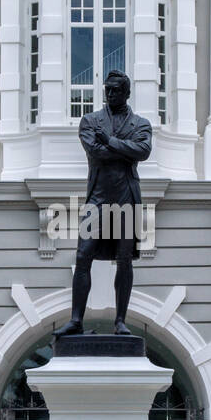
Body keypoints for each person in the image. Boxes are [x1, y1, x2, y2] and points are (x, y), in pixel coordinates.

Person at [55, 69, 152, 337]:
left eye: (116, 90)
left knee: (124, 260)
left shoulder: (141, 124)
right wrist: (123, 150)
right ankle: (76, 319)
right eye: (107, 89)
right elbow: (95, 152)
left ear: (127, 93)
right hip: (98, 197)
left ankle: (120, 320)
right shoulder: (90, 120)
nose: (110, 94)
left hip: (127, 198)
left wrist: (109, 141)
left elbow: (143, 151)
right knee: (83, 255)